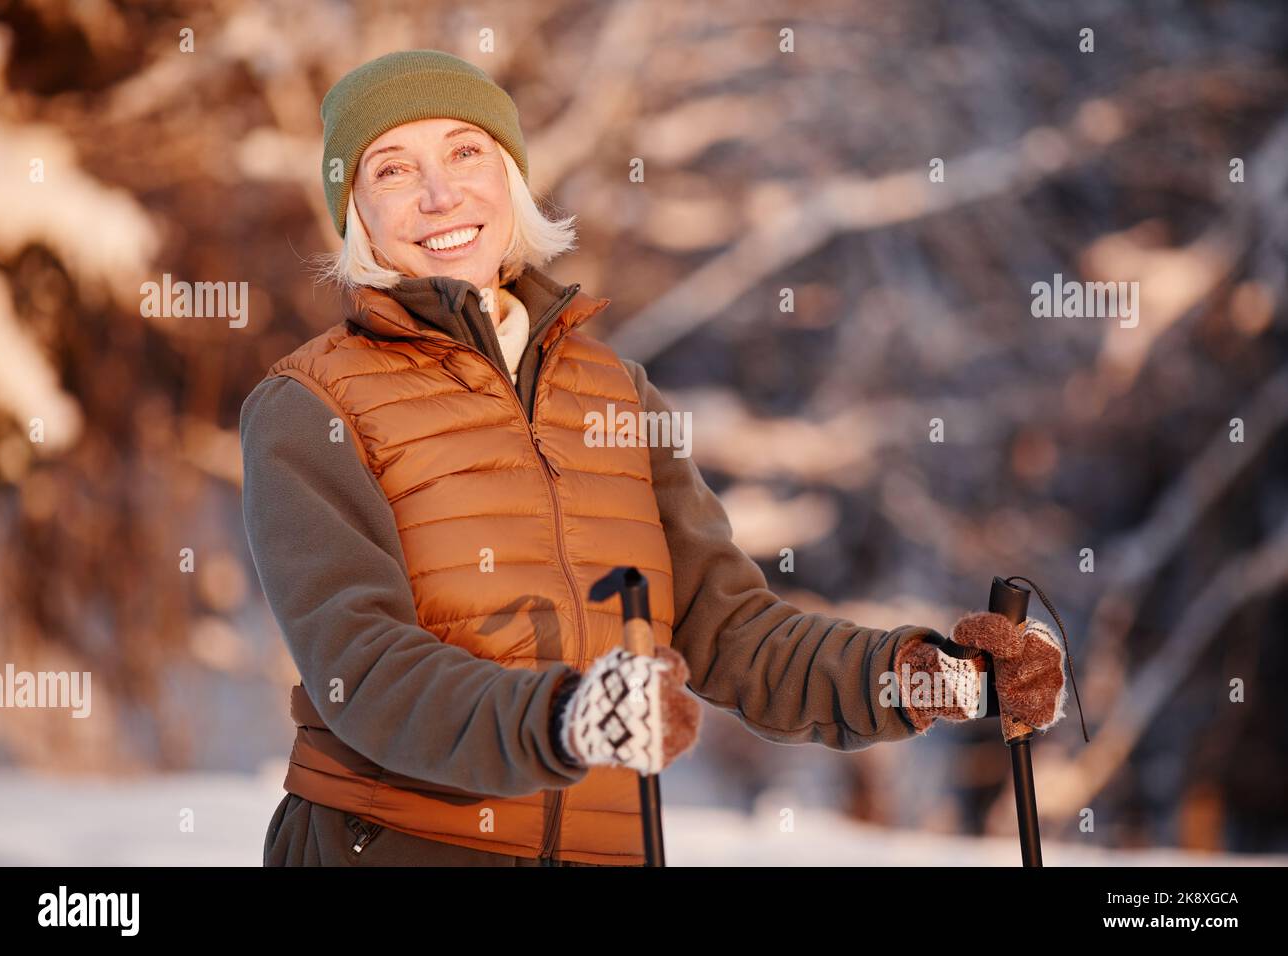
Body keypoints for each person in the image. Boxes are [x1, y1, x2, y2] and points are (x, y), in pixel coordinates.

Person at [240, 49, 1069, 867]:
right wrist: (566, 717)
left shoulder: (615, 394)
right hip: (397, 848)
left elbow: (730, 631)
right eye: (392, 169)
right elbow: (365, 670)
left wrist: (927, 678)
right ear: (355, 211)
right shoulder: (311, 405)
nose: (439, 193)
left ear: (511, 178)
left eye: (466, 152)